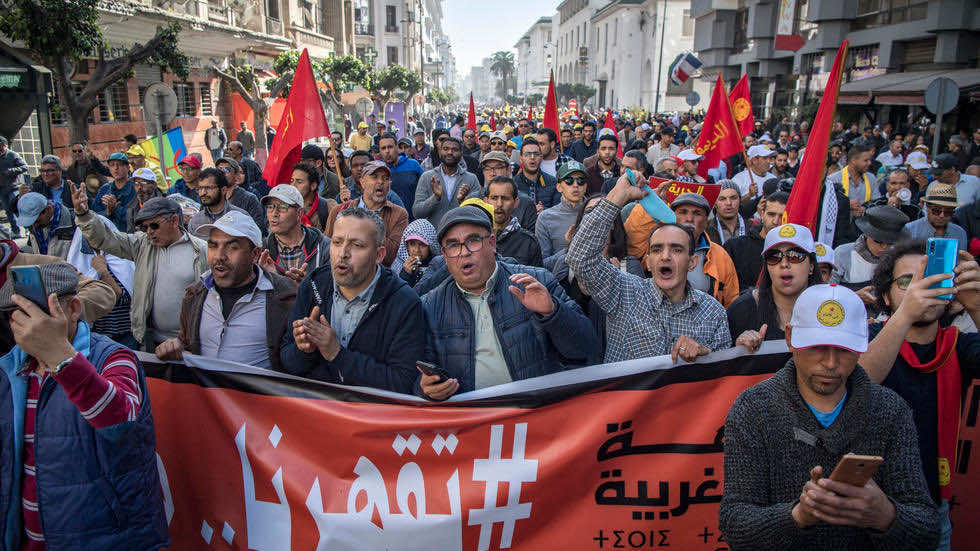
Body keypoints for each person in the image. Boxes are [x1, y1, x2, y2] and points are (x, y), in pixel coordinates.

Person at [719, 283, 940, 550]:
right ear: (790, 337)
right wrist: (798, 516)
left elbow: (927, 528)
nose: (831, 363)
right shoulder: (753, 409)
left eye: (844, 349)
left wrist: (886, 515)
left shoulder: (890, 411)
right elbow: (735, 524)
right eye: (818, 347)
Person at [0, 261, 169, 551]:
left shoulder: (113, 358)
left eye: (41, 311)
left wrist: (61, 358)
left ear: (75, 309)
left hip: (105, 539)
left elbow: (121, 422)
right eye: (20, 312)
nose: (31, 323)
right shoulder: (10, 369)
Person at [861, 241, 980, 548]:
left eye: (932, 277)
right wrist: (906, 314)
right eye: (907, 282)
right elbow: (859, 382)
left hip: (934, 504)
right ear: (885, 296)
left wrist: (978, 306)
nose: (921, 288)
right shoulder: (869, 338)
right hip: (869, 503)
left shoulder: (959, 345)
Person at [417, 205, 598, 400]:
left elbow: (587, 348)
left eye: (473, 240)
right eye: (453, 245)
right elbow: (415, 378)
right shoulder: (430, 306)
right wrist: (425, 389)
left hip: (537, 415)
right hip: (471, 423)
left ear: (492, 243)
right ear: (444, 256)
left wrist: (552, 312)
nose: (464, 252)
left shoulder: (537, 281)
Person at [567, 173, 731, 363]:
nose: (665, 256)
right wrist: (617, 197)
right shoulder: (624, 293)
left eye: (676, 250)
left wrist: (705, 357)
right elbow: (579, 257)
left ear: (692, 262)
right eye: (657, 249)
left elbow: (721, 380)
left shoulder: (713, 313)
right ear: (649, 261)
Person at [280, 207, 426, 393]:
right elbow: (287, 362)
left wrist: (337, 354)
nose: (343, 254)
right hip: (316, 412)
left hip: (372, 417)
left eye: (357, 245)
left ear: (379, 255)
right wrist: (303, 350)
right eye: (337, 242)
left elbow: (403, 382)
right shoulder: (314, 285)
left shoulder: (404, 302)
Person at [155, 211, 296, 370]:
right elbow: (187, 345)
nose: (219, 256)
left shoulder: (284, 297)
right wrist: (175, 348)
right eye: (213, 246)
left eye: (232, 247)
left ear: (255, 254)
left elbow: (296, 363)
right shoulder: (194, 295)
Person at [74, 189, 208, 349]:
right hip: (151, 341)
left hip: (191, 342)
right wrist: (84, 215)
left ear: (174, 220)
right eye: (144, 227)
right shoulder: (143, 245)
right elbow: (107, 239)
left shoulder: (201, 250)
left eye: (154, 225)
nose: (149, 232)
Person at [625, 191, 740, 307]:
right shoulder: (655, 246)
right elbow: (632, 245)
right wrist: (652, 204)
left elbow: (731, 302)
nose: (689, 218)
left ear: (706, 221)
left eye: (697, 213)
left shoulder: (720, 256)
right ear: (672, 216)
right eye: (683, 212)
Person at [727, 223, 821, 352]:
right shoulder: (742, 310)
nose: (784, 264)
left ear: (811, 266)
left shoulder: (828, 308)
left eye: (794, 256)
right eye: (774, 257)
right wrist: (738, 352)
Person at [325, 160, 408, 267]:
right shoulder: (339, 211)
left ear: (389, 185)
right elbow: (326, 248)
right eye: (374, 177)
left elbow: (392, 254)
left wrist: (364, 227)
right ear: (362, 182)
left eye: (385, 178)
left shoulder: (399, 214)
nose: (380, 182)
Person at [834, 205, 908, 307]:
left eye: (890, 243)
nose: (884, 247)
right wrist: (854, 297)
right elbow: (828, 294)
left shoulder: (899, 258)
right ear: (866, 233)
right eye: (878, 241)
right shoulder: (843, 253)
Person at [259, 184, 330, 284]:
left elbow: (332, 291)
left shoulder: (324, 247)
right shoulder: (260, 251)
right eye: (270, 207)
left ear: (299, 213)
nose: (274, 213)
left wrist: (308, 286)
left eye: (283, 207)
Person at [413, 137, 482, 227]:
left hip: (462, 236)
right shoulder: (427, 177)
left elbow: (478, 213)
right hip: (434, 237)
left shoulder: (471, 179)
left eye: (455, 150)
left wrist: (463, 201)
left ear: (461, 153)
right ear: (439, 151)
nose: (450, 152)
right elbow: (417, 213)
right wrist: (435, 198)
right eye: (446, 149)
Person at [536, 161, 587, 268]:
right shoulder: (546, 217)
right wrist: (569, 249)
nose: (575, 185)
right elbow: (542, 264)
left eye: (581, 180)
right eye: (569, 181)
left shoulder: (596, 213)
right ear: (559, 187)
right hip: (560, 280)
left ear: (586, 186)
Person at [483, 176, 543, 267]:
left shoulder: (528, 242)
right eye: (494, 198)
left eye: (505, 198)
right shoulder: (477, 238)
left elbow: (536, 277)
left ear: (516, 203)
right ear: (486, 201)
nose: (499, 204)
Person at [903, 182, 968, 251]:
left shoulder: (959, 232)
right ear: (927, 208)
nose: (942, 215)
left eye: (948, 212)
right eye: (936, 211)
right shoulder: (910, 230)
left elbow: (961, 259)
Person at [186, 167, 248, 235]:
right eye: (200, 188)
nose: (203, 193)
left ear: (224, 190)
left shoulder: (241, 218)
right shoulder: (195, 221)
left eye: (208, 188)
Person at [17, 192, 74, 258]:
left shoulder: (74, 223)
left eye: (37, 221)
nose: (34, 226)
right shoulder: (35, 225)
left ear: (48, 209)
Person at [218, 157, 267, 234]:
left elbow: (259, 227)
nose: (222, 172)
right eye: (219, 169)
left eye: (227, 169)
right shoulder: (213, 197)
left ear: (237, 175)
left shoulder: (249, 198)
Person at [378, 133, 424, 211]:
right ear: (380, 151)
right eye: (383, 148)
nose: (387, 151)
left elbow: (424, 189)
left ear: (397, 148)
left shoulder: (413, 165)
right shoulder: (379, 169)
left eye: (390, 147)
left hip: (413, 218)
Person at [512, 138, 560, 211]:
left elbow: (558, 210)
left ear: (541, 157)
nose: (532, 157)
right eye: (527, 154)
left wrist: (544, 211)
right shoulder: (513, 184)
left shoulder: (552, 182)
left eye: (536, 154)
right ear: (521, 159)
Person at [391, 218, 441, 287]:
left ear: (430, 247)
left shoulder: (437, 266)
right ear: (406, 245)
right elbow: (395, 291)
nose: (417, 250)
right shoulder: (399, 265)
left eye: (422, 245)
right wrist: (405, 274)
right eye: (412, 244)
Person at [91, 160, 137, 232]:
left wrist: (116, 208)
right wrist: (107, 212)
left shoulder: (136, 188)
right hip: (107, 235)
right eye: (112, 165)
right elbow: (94, 214)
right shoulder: (105, 189)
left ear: (128, 168)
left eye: (120, 165)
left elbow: (137, 216)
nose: (116, 168)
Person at [289, 162, 335, 234]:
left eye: (299, 182)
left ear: (313, 186)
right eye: (291, 181)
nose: (293, 185)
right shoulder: (286, 208)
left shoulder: (328, 206)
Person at [0, 136, 27, 236]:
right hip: (2, 189)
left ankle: (28, 228)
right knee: (8, 211)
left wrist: (11, 171)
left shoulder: (13, 155)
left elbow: (25, 167)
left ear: (4, 146)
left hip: (13, 188)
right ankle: (16, 231)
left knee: (17, 209)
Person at [706, 181, 745, 245]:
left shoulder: (751, 227)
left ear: (740, 200)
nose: (728, 203)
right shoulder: (706, 230)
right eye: (722, 199)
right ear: (715, 203)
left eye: (733, 198)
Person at [125, 168, 163, 233]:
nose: (139, 187)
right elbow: (130, 235)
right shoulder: (131, 208)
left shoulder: (165, 205)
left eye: (143, 183)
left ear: (154, 185)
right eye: (136, 183)